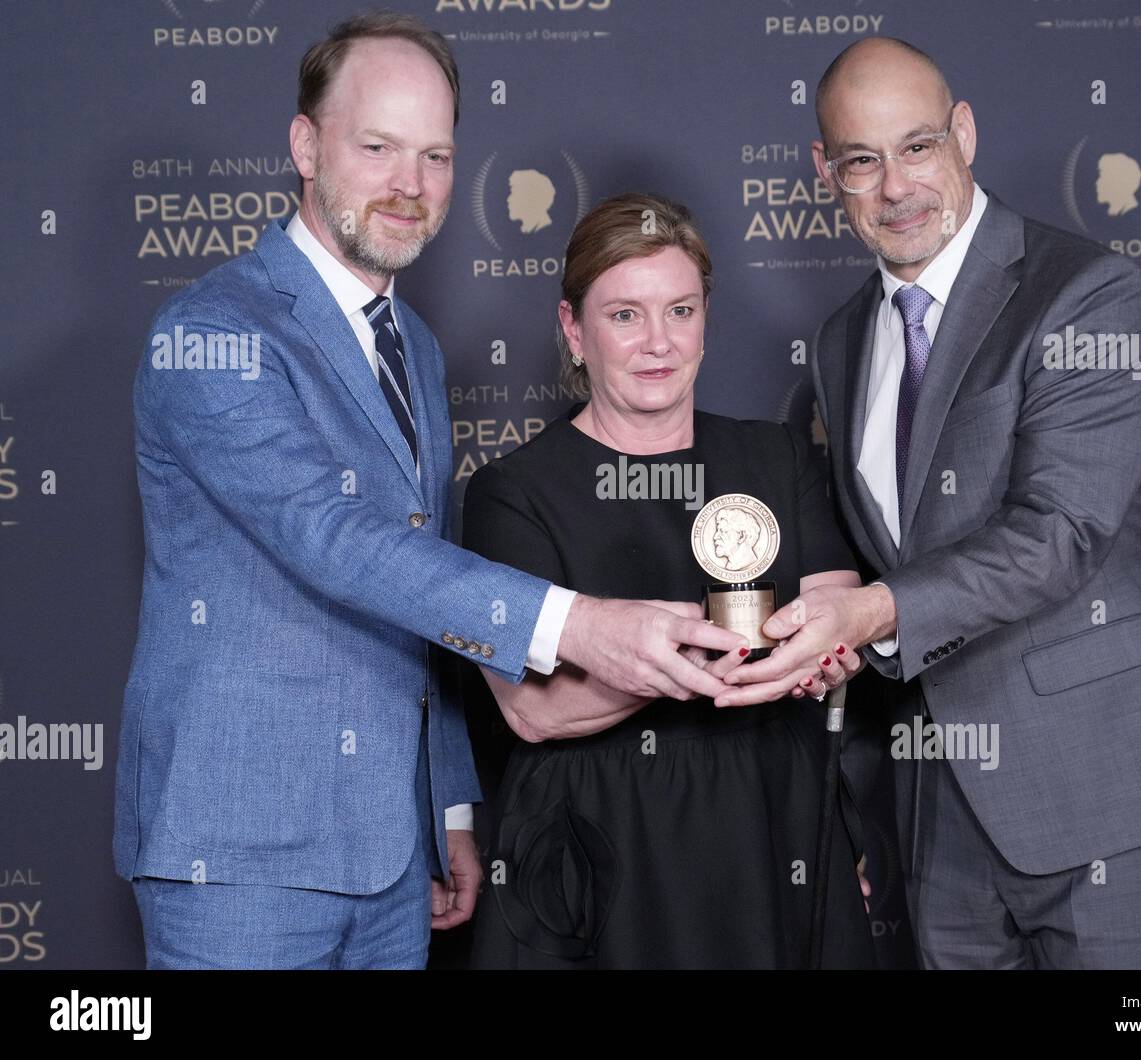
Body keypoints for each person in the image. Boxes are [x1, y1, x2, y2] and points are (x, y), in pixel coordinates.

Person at [113, 13, 741, 970]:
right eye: (378, 148)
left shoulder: (414, 348)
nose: (410, 186)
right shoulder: (212, 332)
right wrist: (577, 626)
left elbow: (420, 580)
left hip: (392, 857)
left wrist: (445, 800)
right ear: (304, 145)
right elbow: (334, 539)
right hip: (238, 858)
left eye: (436, 155)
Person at [718, 37, 1141, 969]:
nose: (896, 187)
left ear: (964, 133)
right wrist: (828, 637)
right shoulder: (846, 339)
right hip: (939, 815)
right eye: (862, 160)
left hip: (1108, 792)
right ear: (824, 171)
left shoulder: (1086, 293)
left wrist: (871, 612)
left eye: (918, 147)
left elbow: (1061, 533)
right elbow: (886, 552)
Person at [463, 193, 876, 969]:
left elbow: (833, 604)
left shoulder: (777, 458)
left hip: (772, 826)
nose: (657, 342)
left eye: (680, 310)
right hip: (602, 846)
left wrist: (831, 642)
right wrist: (717, 658)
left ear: (705, 319)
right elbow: (533, 711)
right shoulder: (513, 491)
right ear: (572, 329)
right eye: (624, 315)